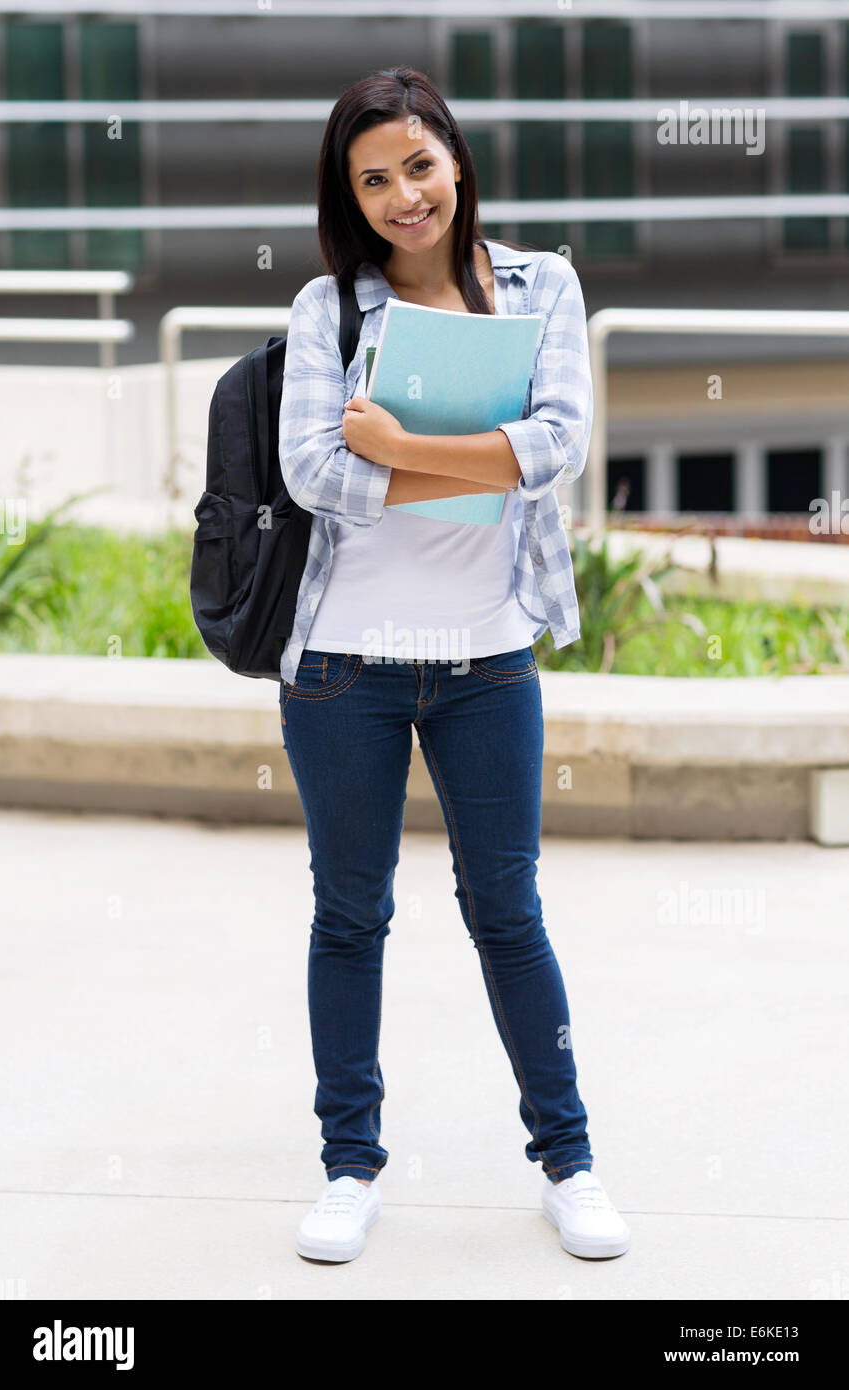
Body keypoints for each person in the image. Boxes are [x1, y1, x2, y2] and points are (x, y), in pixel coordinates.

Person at [277, 65, 630, 1265]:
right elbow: (314, 476)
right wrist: (477, 457)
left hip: (486, 662)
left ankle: (568, 1161)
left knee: (509, 913)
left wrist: (402, 444)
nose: (399, 197)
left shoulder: (541, 286)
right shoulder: (327, 312)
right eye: (371, 179)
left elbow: (560, 445)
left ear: (455, 162)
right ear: (350, 195)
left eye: (416, 166)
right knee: (348, 914)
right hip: (342, 667)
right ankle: (347, 1167)